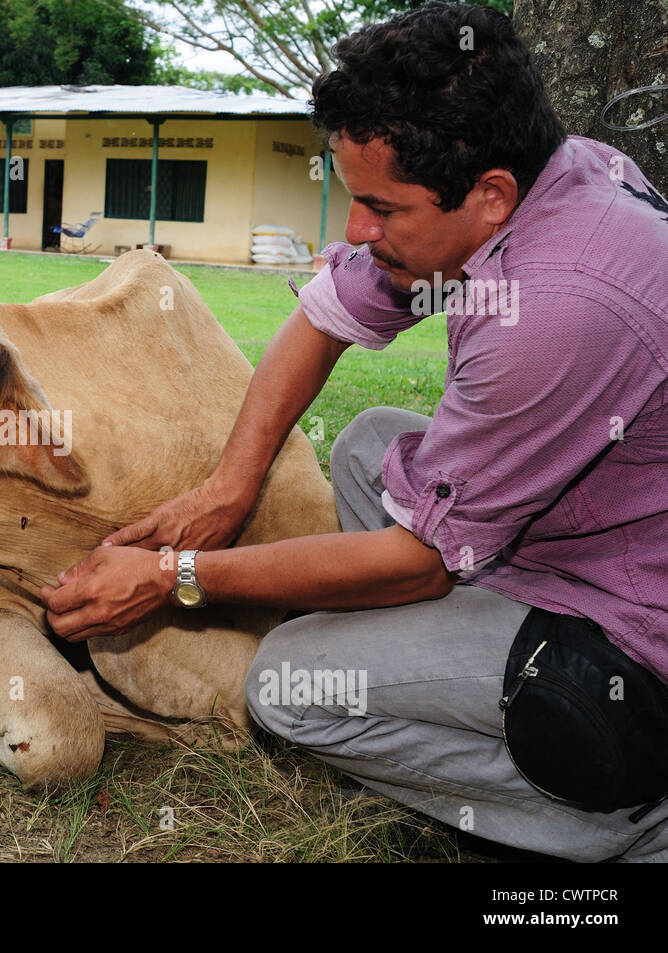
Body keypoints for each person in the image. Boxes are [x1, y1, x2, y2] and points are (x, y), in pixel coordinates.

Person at [41, 1, 668, 862]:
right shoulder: (551, 179)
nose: (353, 232)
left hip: (630, 637)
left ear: (490, 196)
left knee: (288, 684)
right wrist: (229, 486)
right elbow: (325, 316)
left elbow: (415, 564)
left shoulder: (555, 309)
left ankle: (617, 822)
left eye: (380, 207)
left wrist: (173, 576)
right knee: (372, 437)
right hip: (593, 533)